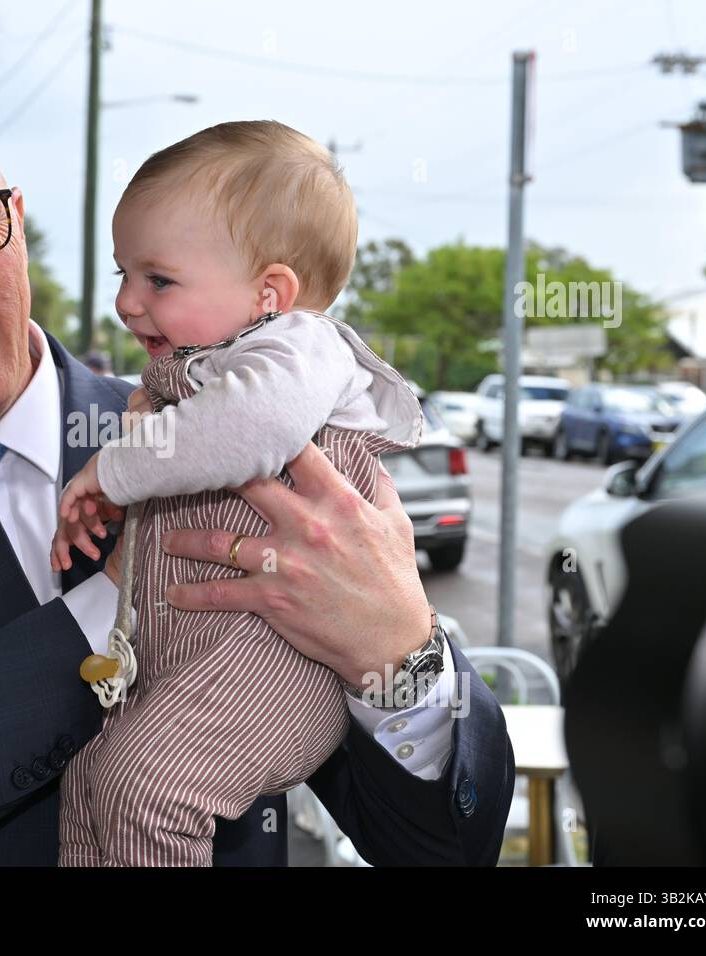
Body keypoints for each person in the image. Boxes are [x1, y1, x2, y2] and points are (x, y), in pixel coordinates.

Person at [0, 87, 514, 866]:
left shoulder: (228, 435)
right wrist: (112, 597)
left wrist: (397, 652)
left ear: (15, 222)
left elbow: (438, 849)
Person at [51, 121, 428, 866]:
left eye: (157, 279)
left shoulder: (298, 351)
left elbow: (247, 426)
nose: (127, 302)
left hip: (280, 667)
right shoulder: (199, 374)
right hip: (203, 657)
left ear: (271, 294)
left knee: (143, 788)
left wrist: (114, 471)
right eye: (122, 272)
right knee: (90, 779)